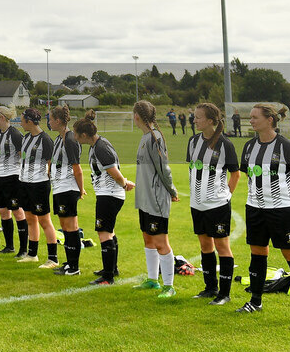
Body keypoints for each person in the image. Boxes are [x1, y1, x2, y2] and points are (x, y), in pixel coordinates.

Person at [236, 104, 290, 326]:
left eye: (254, 117)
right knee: (257, 254)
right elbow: (249, 177)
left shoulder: (287, 147)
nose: (250, 121)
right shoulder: (249, 147)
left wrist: (285, 200)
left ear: (270, 119)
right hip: (255, 209)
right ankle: (255, 301)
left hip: (284, 212)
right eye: (249, 117)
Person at [74, 110, 136, 285]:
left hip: (109, 195)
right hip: (108, 194)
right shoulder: (98, 145)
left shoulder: (101, 148)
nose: (75, 138)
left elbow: (114, 172)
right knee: (109, 231)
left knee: (103, 233)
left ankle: (107, 277)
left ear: (84, 135)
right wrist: (124, 183)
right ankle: (111, 269)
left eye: (76, 135)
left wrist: (124, 183)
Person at [188, 102, 240, 304]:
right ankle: (210, 287)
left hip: (217, 205)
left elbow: (235, 175)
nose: (194, 120)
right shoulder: (193, 141)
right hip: (197, 204)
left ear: (210, 120)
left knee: (222, 246)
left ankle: (224, 294)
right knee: (204, 245)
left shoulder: (225, 144)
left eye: (198, 117)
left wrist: (225, 196)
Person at [131, 101, 180, 298]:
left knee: (160, 241)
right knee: (147, 237)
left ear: (137, 116)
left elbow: (163, 168)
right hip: (144, 198)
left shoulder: (155, 138)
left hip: (156, 199)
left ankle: (169, 286)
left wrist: (172, 190)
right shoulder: (144, 137)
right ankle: (153, 280)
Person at [17, 108, 59, 268]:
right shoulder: (26, 138)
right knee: (30, 218)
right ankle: (32, 254)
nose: (20, 123)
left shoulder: (46, 139)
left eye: (22, 120)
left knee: (44, 220)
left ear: (29, 121)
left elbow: (51, 164)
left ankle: (53, 258)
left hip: (39, 185)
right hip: (25, 183)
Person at [48, 104, 84, 275]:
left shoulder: (70, 139)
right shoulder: (58, 138)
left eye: (50, 119)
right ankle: (69, 263)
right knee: (64, 225)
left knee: (71, 227)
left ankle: (74, 267)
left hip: (67, 187)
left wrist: (81, 189)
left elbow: (77, 168)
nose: (48, 122)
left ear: (58, 120)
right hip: (59, 187)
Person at [0, 106, 27, 257]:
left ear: (3, 118)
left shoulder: (15, 134)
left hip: (12, 177)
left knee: (17, 212)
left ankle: (24, 249)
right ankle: (9, 246)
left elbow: (22, 156)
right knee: (2, 211)